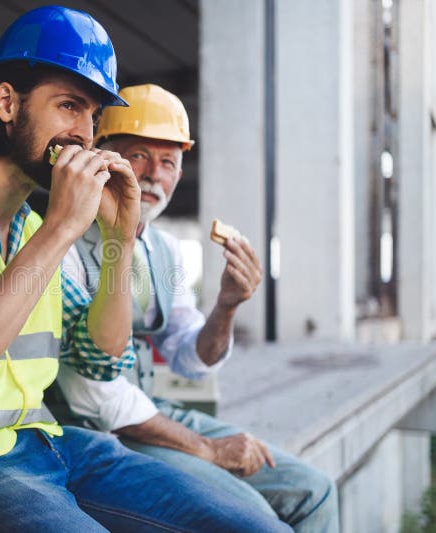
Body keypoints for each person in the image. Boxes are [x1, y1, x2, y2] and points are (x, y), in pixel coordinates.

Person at [0, 7, 291, 533]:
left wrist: (118, 240)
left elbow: (100, 358)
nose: (84, 135)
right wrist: (63, 227)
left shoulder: (26, 228)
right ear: (6, 102)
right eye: (69, 106)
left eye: (92, 116)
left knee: (257, 529)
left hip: (41, 444)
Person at [54, 83, 340, 532]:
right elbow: (95, 399)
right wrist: (207, 448)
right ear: (102, 154)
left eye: (168, 161)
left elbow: (192, 360)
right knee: (259, 519)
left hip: (150, 413)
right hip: (95, 434)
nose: (152, 174)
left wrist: (226, 306)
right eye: (138, 155)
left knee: (316, 491)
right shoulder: (62, 240)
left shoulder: (165, 250)